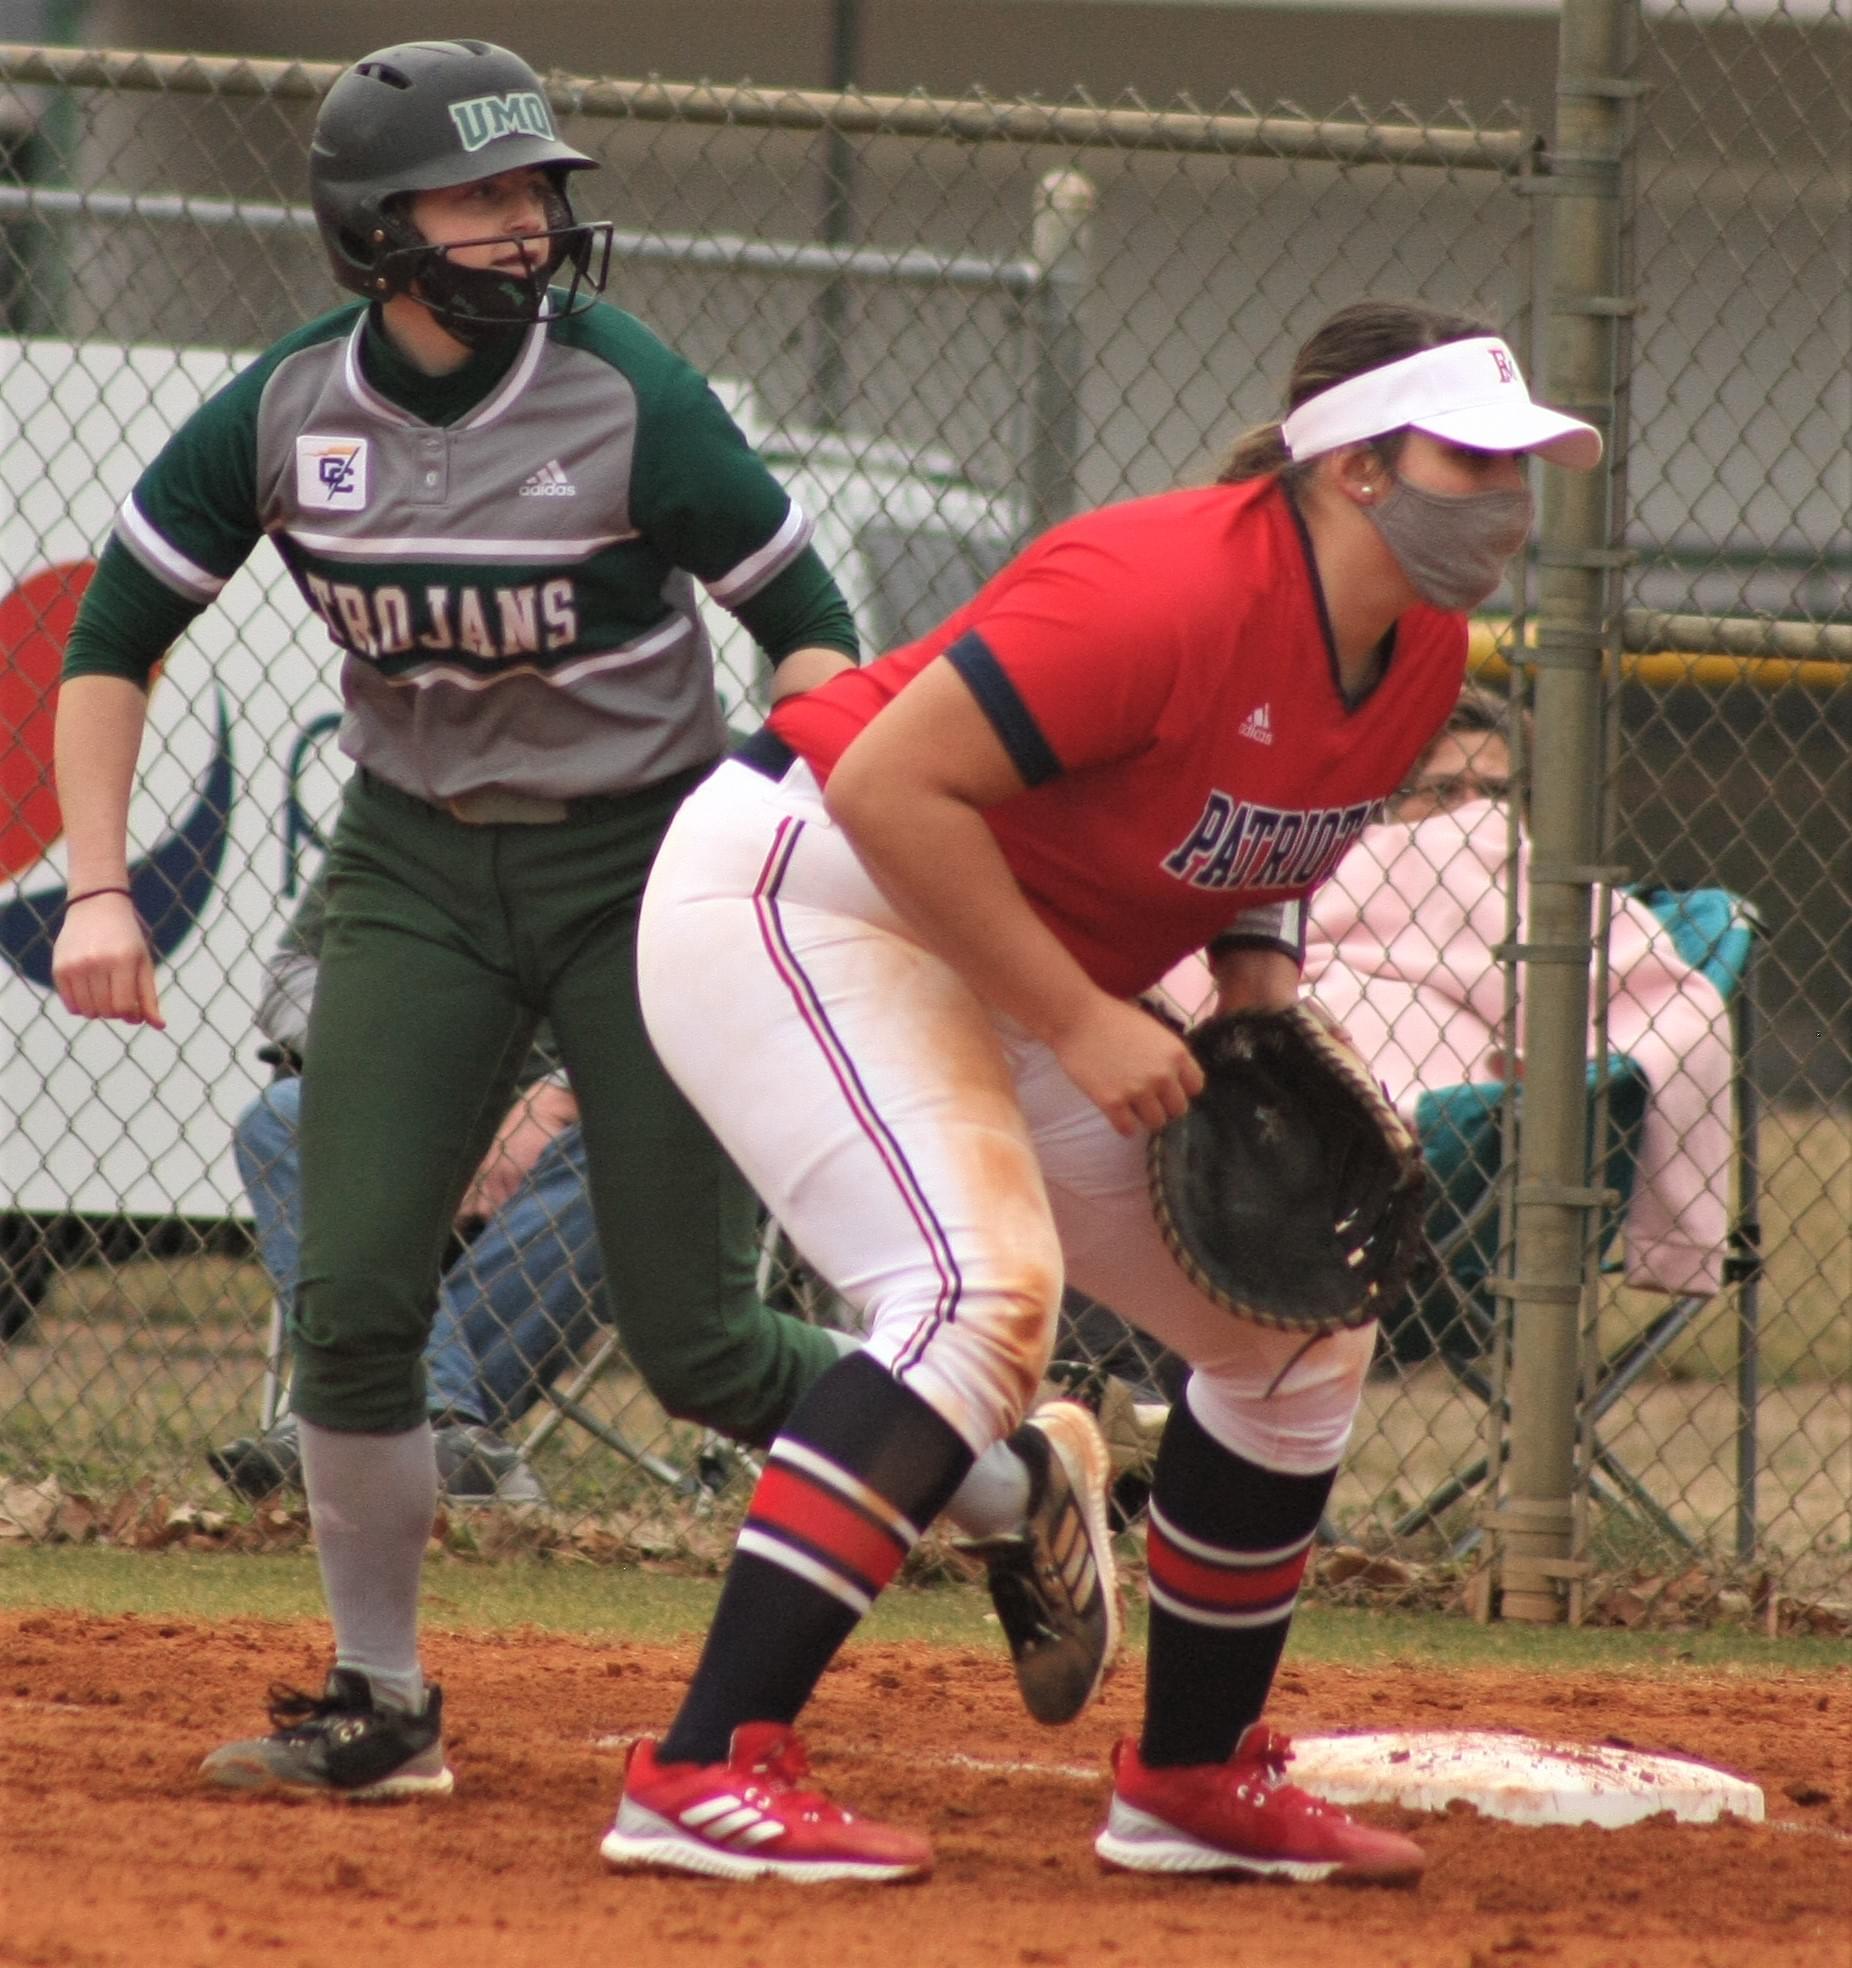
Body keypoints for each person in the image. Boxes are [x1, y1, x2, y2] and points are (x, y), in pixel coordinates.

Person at [48, 39, 1115, 1801]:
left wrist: (790, 819)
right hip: (412, 864)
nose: (526, 226)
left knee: (700, 1345)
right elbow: (111, 640)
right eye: (478, 197)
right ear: (373, 229)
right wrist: (99, 883)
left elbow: (814, 629)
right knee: (355, 1304)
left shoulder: (628, 392)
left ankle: (1012, 1489)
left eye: (535, 190)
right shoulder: (289, 409)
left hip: (648, 863)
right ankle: (381, 1704)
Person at [601, 298, 1601, 1885]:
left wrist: (1257, 991)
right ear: (1356, 466)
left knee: (1298, 1336)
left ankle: (1190, 1780)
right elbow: (891, 782)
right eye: (1470, 460)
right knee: (974, 1294)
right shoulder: (1161, 586)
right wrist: (1078, 1019)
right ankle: (703, 1768)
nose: (1507, 497)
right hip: (813, 891)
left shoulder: (1415, 649)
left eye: (1519, 464)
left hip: (1002, 950)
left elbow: (1272, 824)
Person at [208, 857, 589, 1505]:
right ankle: (444, 1432)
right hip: (397, 1102)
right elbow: (291, 975)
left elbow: (710, 994)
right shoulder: (400, 808)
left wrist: (564, 1095)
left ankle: (352, 1423)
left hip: (570, 1128)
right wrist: (390, 1071)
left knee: (637, 1152)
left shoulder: (659, 811)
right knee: (278, 1119)